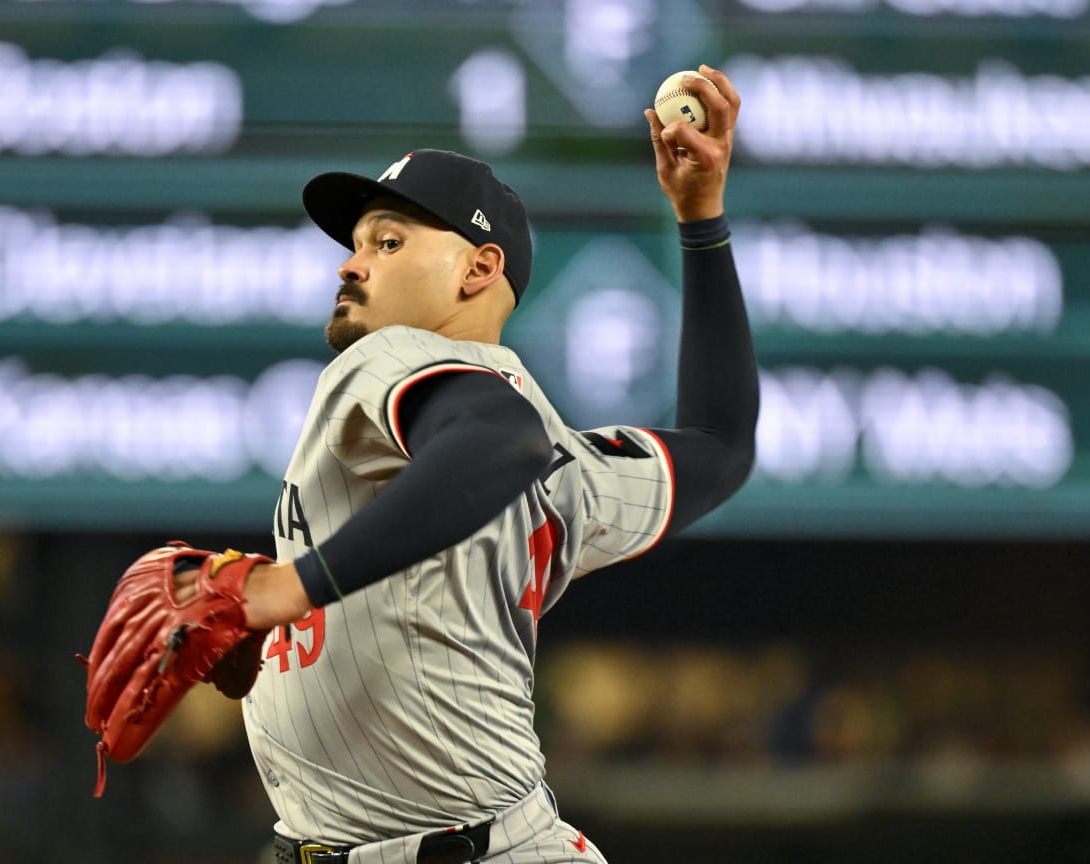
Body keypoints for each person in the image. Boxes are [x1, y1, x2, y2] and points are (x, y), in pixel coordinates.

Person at [188, 65, 756, 863]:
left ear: (478, 270)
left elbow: (497, 437)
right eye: (355, 246)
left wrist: (291, 585)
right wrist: (701, 220)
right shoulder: (569, 466)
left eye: (389, 242)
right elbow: (723, 444)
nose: (353, 265)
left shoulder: (392, 359)